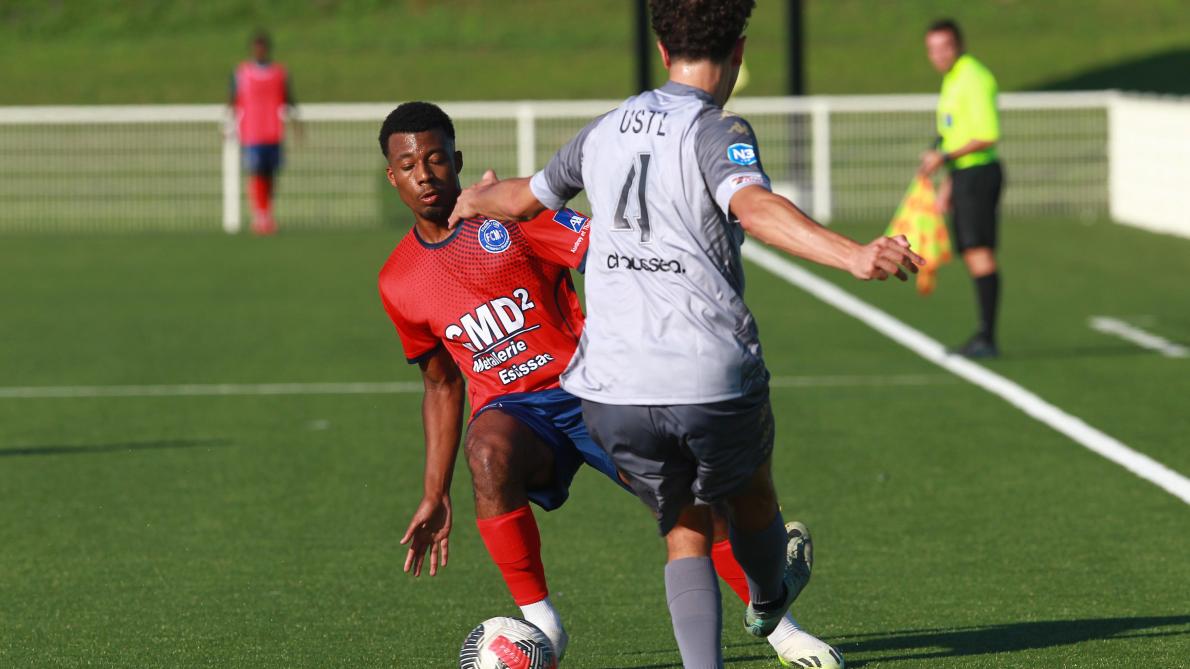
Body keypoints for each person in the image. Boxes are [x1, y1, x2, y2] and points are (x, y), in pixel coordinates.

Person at [448, 1, 922, 666]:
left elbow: (528, 197)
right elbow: (753, 203)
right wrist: (853, 254)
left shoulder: (605, 130)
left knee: (685, 528)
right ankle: (769, 594)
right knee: (753, 495)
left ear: (663, 51)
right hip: (706, 376)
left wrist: (474, 199)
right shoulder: (717, 127)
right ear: (739, 53)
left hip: (610, 390)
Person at [378, 101, 843, 667]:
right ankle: (542, 628)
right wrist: (434, 491)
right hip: (515, 414)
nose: (424, 175)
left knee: (689, 508)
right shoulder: (398, 279)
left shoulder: (509, 218)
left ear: (457, 160)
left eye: (434, 159)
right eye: (408, 166)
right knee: (486, 451)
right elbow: (440, 385)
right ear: (392, 176)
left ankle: (780, 627)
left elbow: (614, 251)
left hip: (596, 387)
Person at [918, 18, 1004, 358]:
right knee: (971, 251)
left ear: (958, 45)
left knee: (979, 250)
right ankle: (984, 333)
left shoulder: (974, 78)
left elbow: (987, 134)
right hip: (964, 175)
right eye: (932, 50)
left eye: (945, 47)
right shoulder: (953, 79)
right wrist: (948, 186)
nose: (938, 55)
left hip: (979, 173)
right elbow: (956, 132)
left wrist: (943, 157)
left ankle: (987, 335)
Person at [228, 31, 297, 236]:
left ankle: (267, 214)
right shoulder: (242, 73)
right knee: (256, 172)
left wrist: (296, 121)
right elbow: (232, 99)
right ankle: (259, 215)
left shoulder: (279, 72)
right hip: (251, 132)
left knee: (270, 173)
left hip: (273, 130)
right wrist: (228, 124)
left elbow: (288, 98)